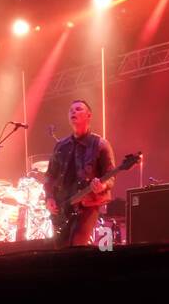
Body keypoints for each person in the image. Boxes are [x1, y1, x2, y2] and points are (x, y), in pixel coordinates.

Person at [44, 100, 116, 247]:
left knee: (77, 247)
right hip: (62, 207)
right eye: (71, 110)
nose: (73, 112)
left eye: (78, 109)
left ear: (88, 115)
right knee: (59, 250)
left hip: (87, 206)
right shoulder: (61, 146)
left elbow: (110, 175)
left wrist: (102, 186)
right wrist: (49, 198)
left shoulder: (100, 144)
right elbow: (50, 175)